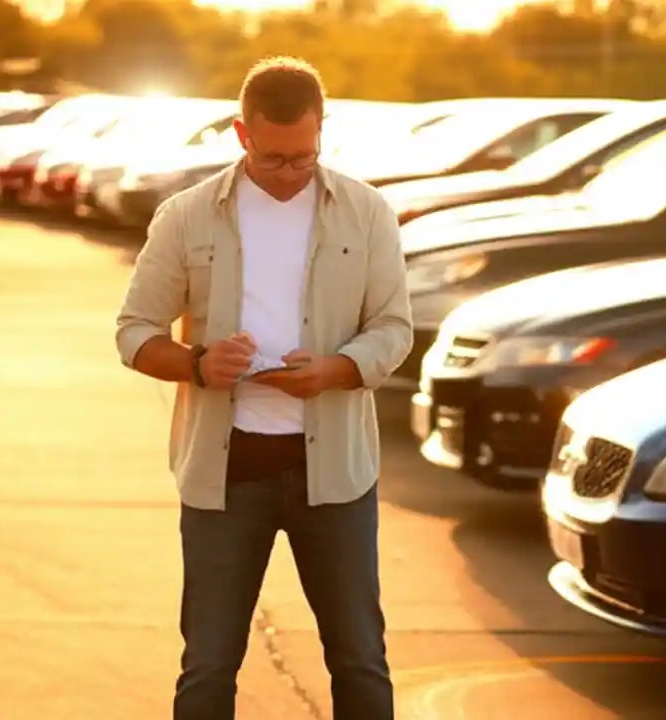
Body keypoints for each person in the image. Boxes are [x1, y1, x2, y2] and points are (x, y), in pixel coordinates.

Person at [114, 56, 411, 720]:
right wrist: (197, 365)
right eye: (275, 159)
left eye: (305, 156)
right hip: (226, 474)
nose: (291, 173)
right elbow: (134, 331)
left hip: (333, 472)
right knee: (209, 666)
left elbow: (394, 327)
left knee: (360, 660)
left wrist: (333, 370)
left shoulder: (366, 213)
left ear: (321, 131)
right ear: (242, 134)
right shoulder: (187, 217)